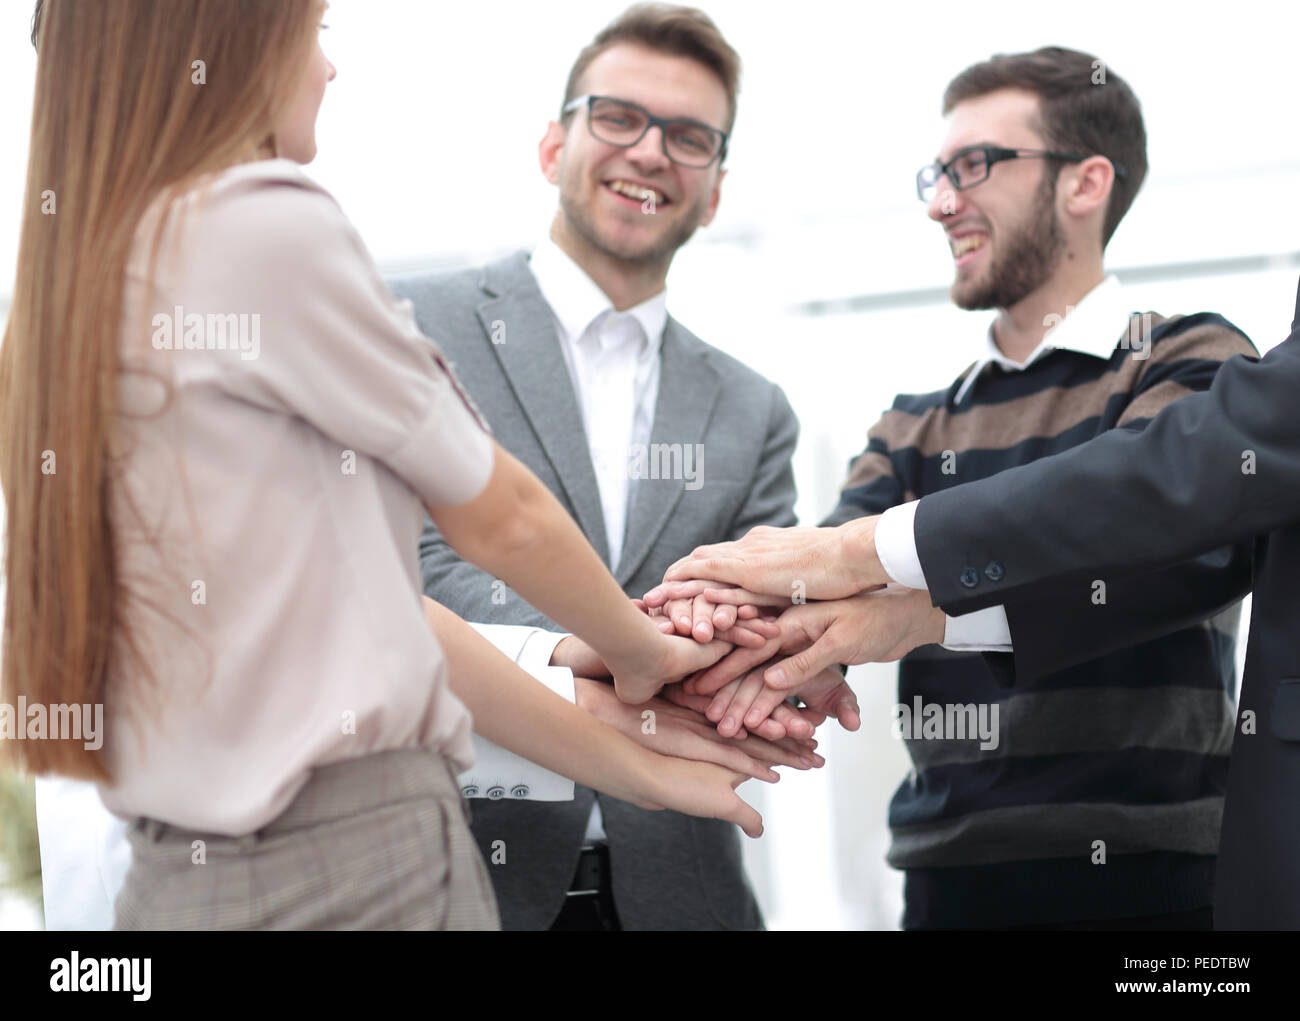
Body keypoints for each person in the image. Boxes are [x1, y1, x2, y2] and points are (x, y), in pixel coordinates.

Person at [2, 0, 768, 932]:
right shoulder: (262, 227)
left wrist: (637, 762)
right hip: (357, 862)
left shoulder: (62, 301)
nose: (330, 69)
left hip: (183, 879)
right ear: (227, 44)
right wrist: (639, 651)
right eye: (315, 30)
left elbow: (389, 619)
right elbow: (500, 516)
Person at [648, 47, 1256, 930]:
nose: (941, 202)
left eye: (974, 166)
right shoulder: (914, 426)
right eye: (937, 172)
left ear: (1086, 183)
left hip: (1162, 888)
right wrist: (728, 628)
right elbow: (816, 580)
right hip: (946, 886)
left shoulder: (1188, 364)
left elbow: (1162, 563)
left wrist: (918, 604)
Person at [397, 3, 858, 931]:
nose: (650, 151)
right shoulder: (410, 324)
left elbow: (769, 605)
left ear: (715, 191)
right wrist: (626, 638)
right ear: (552, 145)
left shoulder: (753, 406)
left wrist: (757, 636)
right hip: (453, 881)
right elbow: (399, 564)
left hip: (680, 893)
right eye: (618, 118)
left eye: (689, 137)